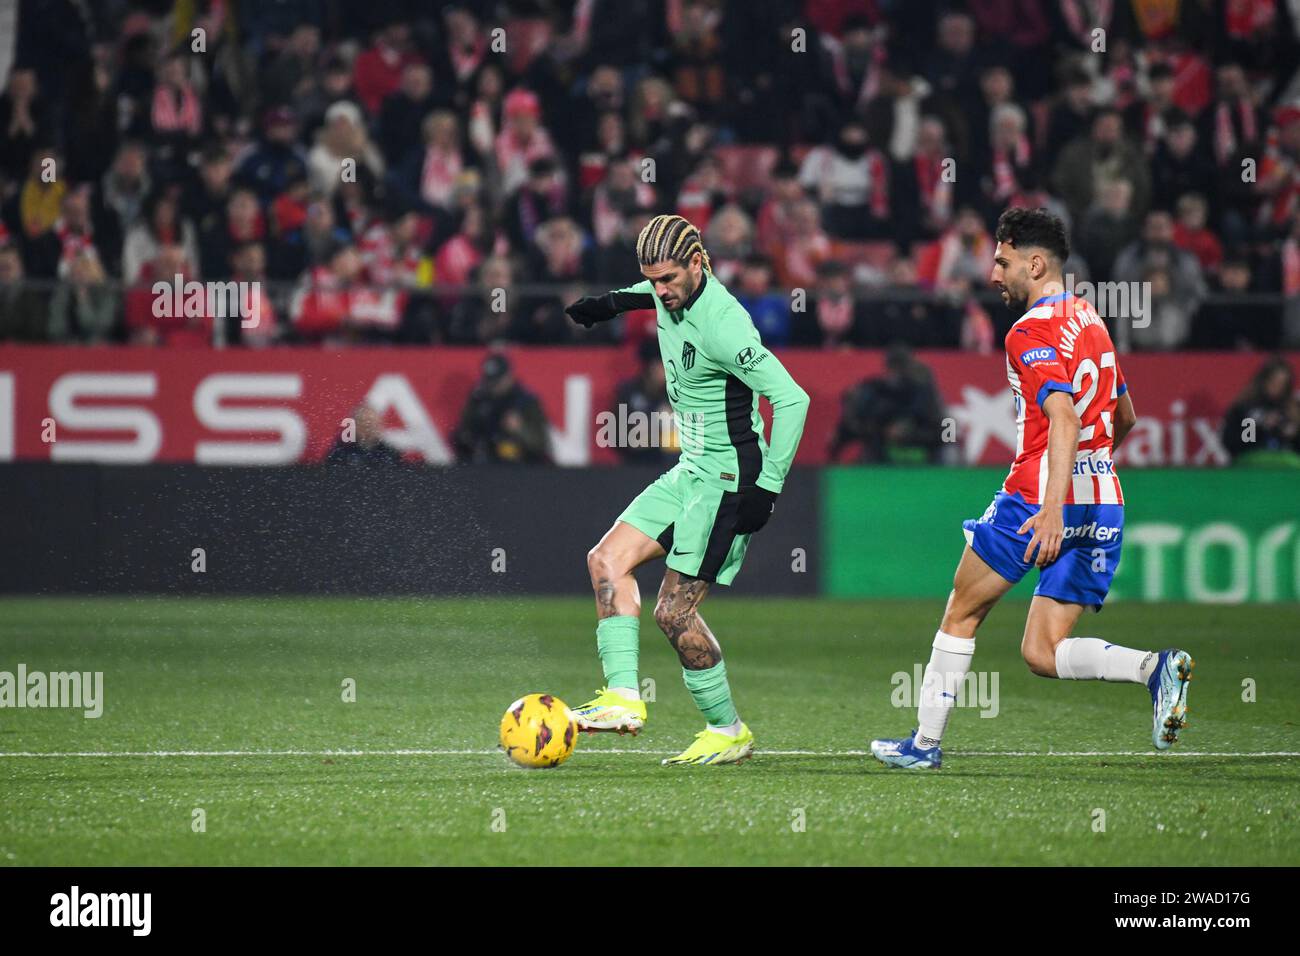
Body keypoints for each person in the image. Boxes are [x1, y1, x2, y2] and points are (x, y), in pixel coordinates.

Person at [870, 208, 1193, 770]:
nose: (994, 274)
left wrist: (1050, 509)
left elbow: (1063, 417)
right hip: (1104, 501)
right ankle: (1154, 668)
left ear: (1035, 262)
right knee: (1041, 653)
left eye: (1003, 261)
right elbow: (1127, 416)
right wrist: (1089, 473)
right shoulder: (1092, 321)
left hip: (1037, 500)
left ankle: (923, 745)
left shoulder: (1029, 329)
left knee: (961, 612)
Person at [563, 214, 810, 766]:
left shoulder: (724, 325)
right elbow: (643, 293)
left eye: (668, 279)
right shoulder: (664, 293)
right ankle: (624, 699)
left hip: (730, 478)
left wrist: (768, 487)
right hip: (691, 468)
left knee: (673, 613)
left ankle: (728, 730)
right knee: (606, 561)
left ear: (699, 264)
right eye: (651, 281)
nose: (660, 292)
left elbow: (793, 399)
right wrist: (609, 303)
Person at [324, 404, 403, 466]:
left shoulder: (389, 453)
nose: (369, 427)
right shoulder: (342, 452)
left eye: (372, 423)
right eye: (364, 422)